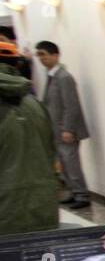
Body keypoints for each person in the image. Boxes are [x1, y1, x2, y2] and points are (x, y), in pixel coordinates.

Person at [0, 41, 59, 233]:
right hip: (43, 206)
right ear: (17, 65)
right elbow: (51, 153)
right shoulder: (34, 103)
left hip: (5, 212)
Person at [35, 40, 91, 210]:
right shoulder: (51, 76)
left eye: (44, 54)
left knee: (71, 163)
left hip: (66, 130)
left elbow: (71, 105)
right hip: (56, 130)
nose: (41, 58)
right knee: (64, 164)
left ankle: (82, 195)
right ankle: (74, 192)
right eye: (39, 55)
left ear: (55, 55)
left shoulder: (64, 77)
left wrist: (68, 129)